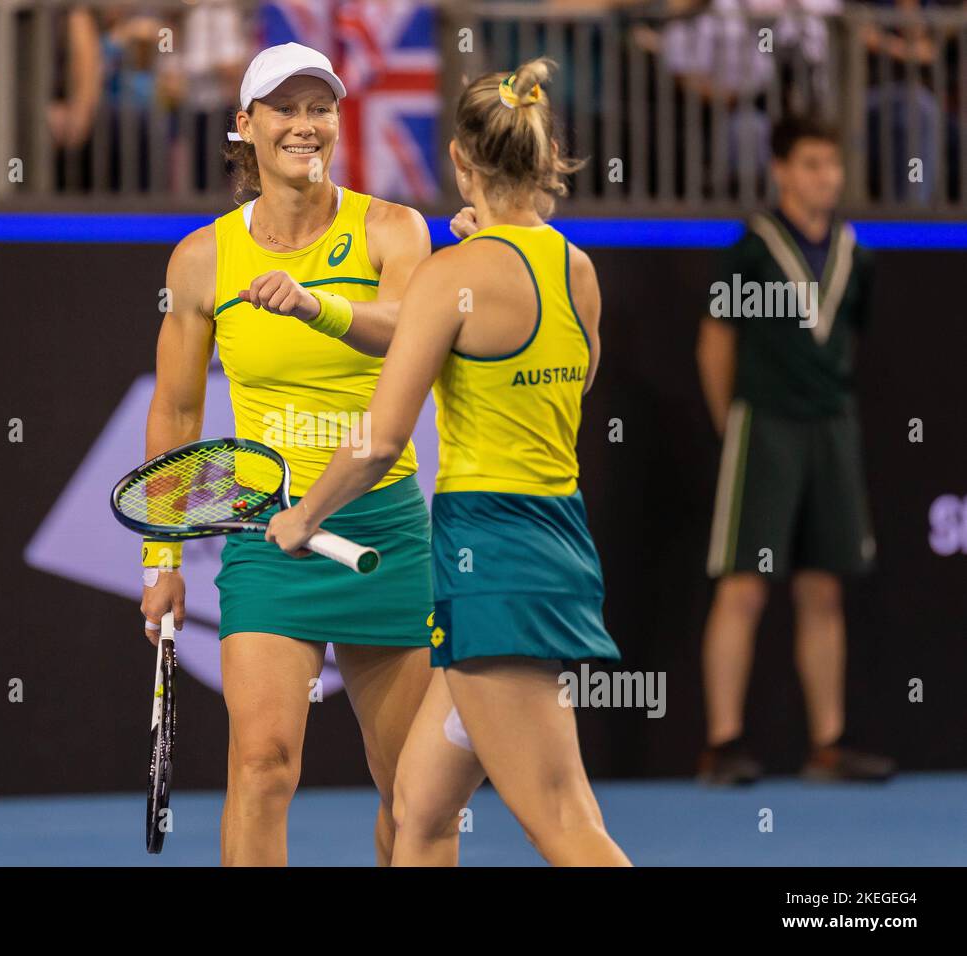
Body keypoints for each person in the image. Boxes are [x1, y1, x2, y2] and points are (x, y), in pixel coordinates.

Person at [267, 58, 631, 866]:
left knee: (565, 822)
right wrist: (475, 259)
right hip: (553, 547)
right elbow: (568, 381)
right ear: (543, 156)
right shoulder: (578, 270)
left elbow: (380, 441)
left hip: (493, 563)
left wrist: (303, 516)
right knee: (420, 812)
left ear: (461, 161)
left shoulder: (449, 275)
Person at [140, 43, 435, 866]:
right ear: (246, 125)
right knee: (262, 765)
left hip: (383, 534)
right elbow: (177, 410)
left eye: (320, 109)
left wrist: (316, 306)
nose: (306, 126)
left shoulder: (392, 230)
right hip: (269, 540)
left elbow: (413, 328)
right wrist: (160, 556)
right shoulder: (202, 259)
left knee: (412, 786)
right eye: (285, 109)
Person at [695, 114, 896, 785]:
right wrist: (734, 426)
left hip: (832, 429)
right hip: (765, 426)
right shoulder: (752, 248)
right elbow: (716, 342)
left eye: (832, 165)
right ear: (780, 170)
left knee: (823, 590)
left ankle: (828, 745)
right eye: (810, 164)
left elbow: (849, 342)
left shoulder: (854, 252)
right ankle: (723, 744)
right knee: (744, 589)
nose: (825, 177)